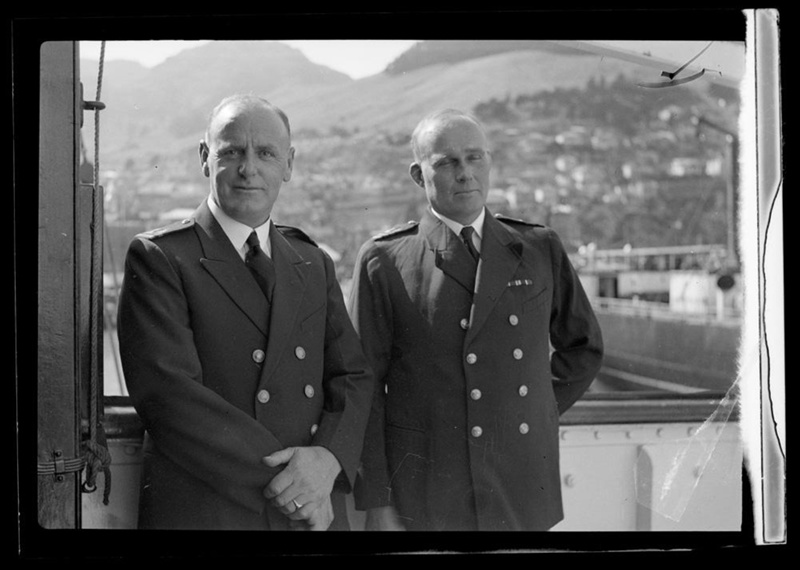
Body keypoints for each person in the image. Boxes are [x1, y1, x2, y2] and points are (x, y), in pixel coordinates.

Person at [117, 94, 374, 531]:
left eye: (266, 153)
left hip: (311, 513)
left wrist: (329, 459)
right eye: (232, 151)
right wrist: (298, 485)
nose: (248, 168)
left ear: (288, 165)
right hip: (212, 513)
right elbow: (170, 397)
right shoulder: (160, 257)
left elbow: (353, 376)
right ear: (204, 157)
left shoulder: (311, 262)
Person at [348, 109, 604, 531]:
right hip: (427, 487)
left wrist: (525, 411)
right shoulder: (385, 260)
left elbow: (584, 348)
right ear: (419, 174)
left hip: (520, 481)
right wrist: (378, 500)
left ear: (489, 163)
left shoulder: (539, 247)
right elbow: (364, 386)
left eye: (475, 158)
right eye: (447, 162)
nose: (465, 173)